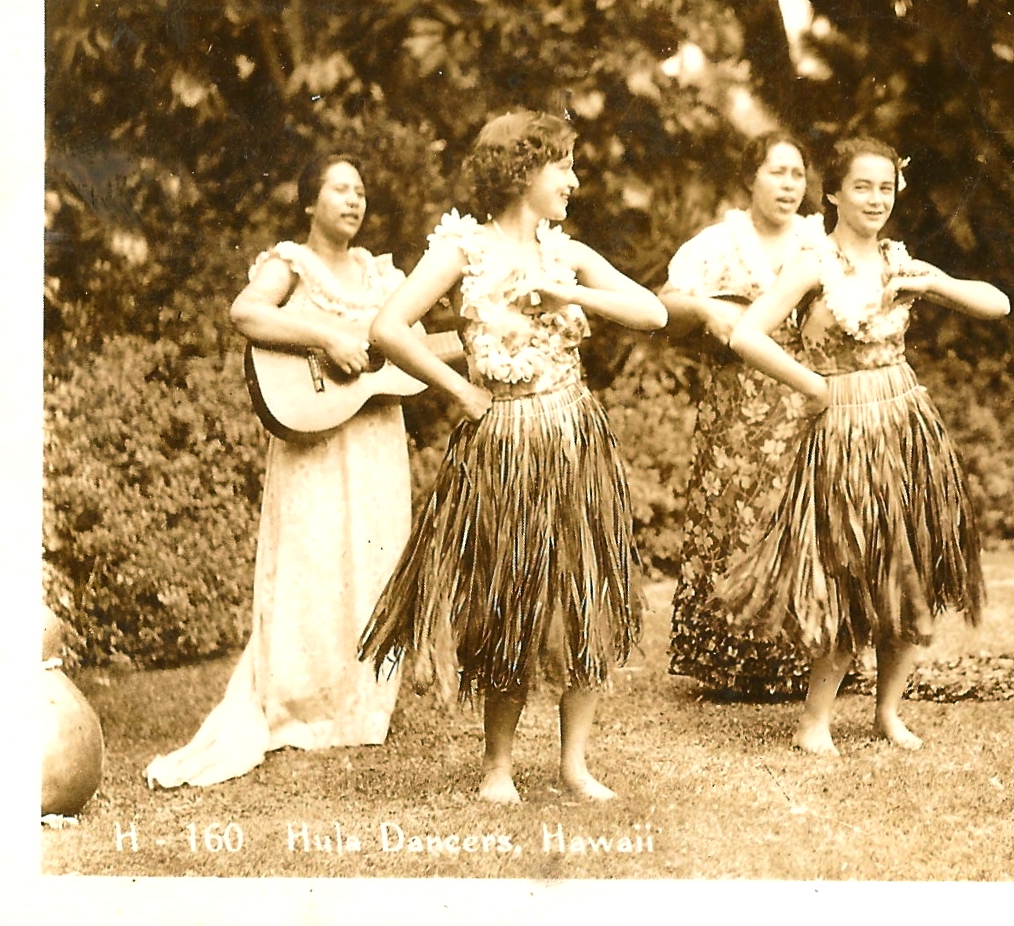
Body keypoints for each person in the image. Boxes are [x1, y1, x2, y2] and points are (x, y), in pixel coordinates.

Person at [358, 110, 667, 803]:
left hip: (572, 437)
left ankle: (574, 763)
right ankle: (497, 764)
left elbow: (652, 312)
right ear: (524, 169)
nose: (573, 181)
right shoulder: (461, 250)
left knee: (582, 594)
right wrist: (458, 387)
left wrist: (572, 292)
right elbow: (387, 326)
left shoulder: (569, 255)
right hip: (502, 445)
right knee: (509, 601)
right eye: (562, 166)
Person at [715, 136, 1010, 755]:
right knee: (848, 570)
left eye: (886, 187)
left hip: (905, 422)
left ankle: (888, 712)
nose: (876, 198)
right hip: (844, 429)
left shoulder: (900, 262)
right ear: (834, 194)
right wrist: (812, 385)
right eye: (862, 187)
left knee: (911, 565)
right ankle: (816, 719)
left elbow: (997, 304)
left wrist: (936, 285)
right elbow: (747, 333)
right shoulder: (812, 262)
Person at [146, 154, 410, 788]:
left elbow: (411, 344)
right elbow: (247, 314)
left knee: (374, 559)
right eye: (340, 188)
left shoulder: (380, 273)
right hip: (314, 438)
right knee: (314, 558)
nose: (354, 199)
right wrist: (325, 338)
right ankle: (300, 705)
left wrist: (495, 337)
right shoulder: (289, 263)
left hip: (374, 436)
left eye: (361, 190)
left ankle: (362, 707)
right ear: (309, 202)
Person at [659, 131, 826, 700]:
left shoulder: (818, 241)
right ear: (750, 178)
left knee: (802, 518)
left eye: (797, 175)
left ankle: (809, 658)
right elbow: (663, 306)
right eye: (777, 172)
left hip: (807, 398)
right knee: (736, 520)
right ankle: (732, 661)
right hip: (738, 405)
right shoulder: (719, 244)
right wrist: (705, 306)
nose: (788, 185)